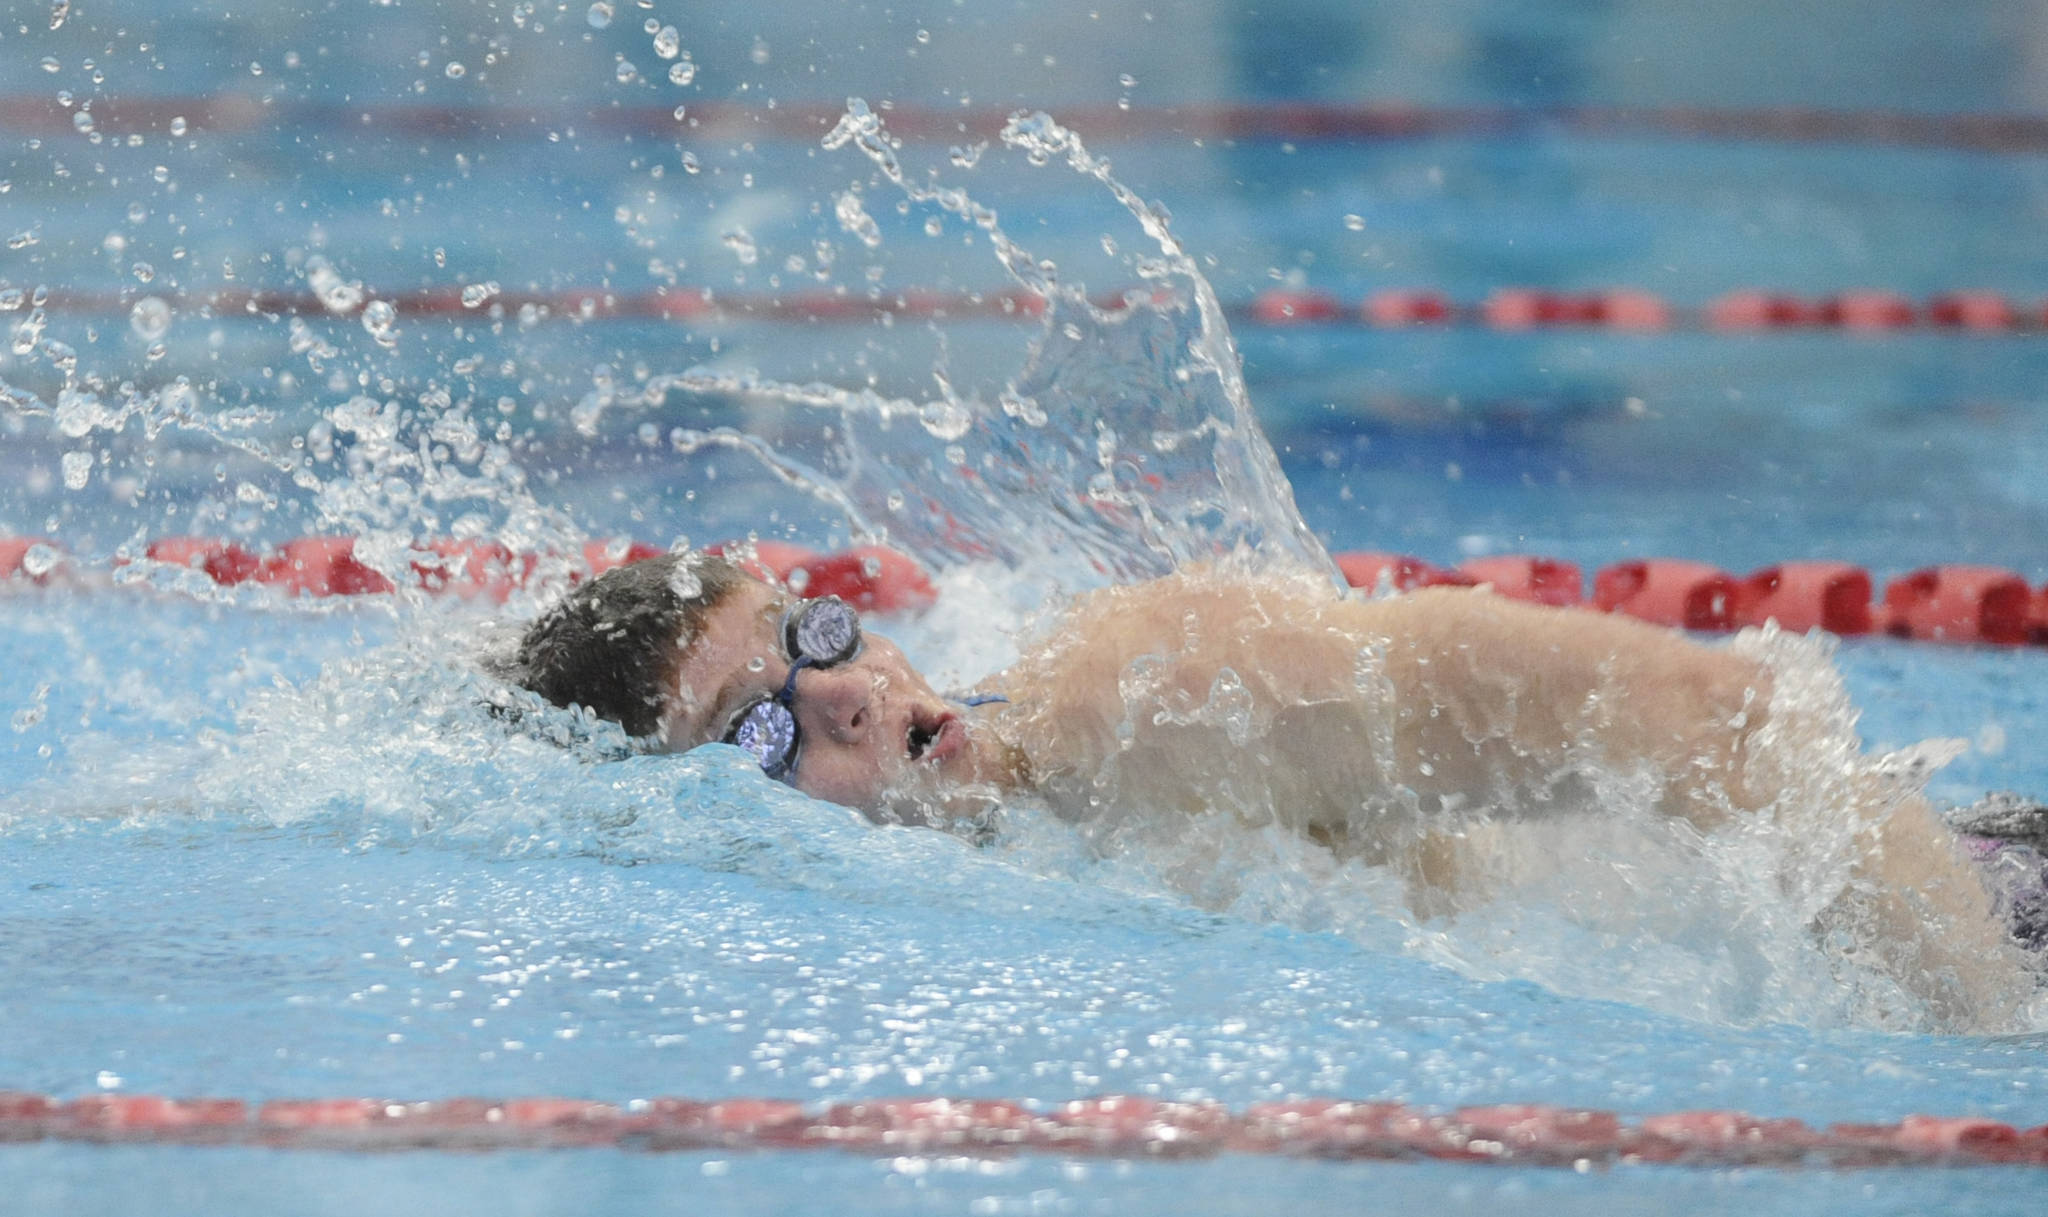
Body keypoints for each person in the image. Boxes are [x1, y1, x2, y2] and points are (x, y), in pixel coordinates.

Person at [506, 550, 2039, 1029]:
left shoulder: (1172, 693)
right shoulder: (1014, 891)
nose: (838, 693)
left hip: (1993, 915)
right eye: (754, 732)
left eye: (809, 638)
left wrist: (1986, 1070)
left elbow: (1735, 725)